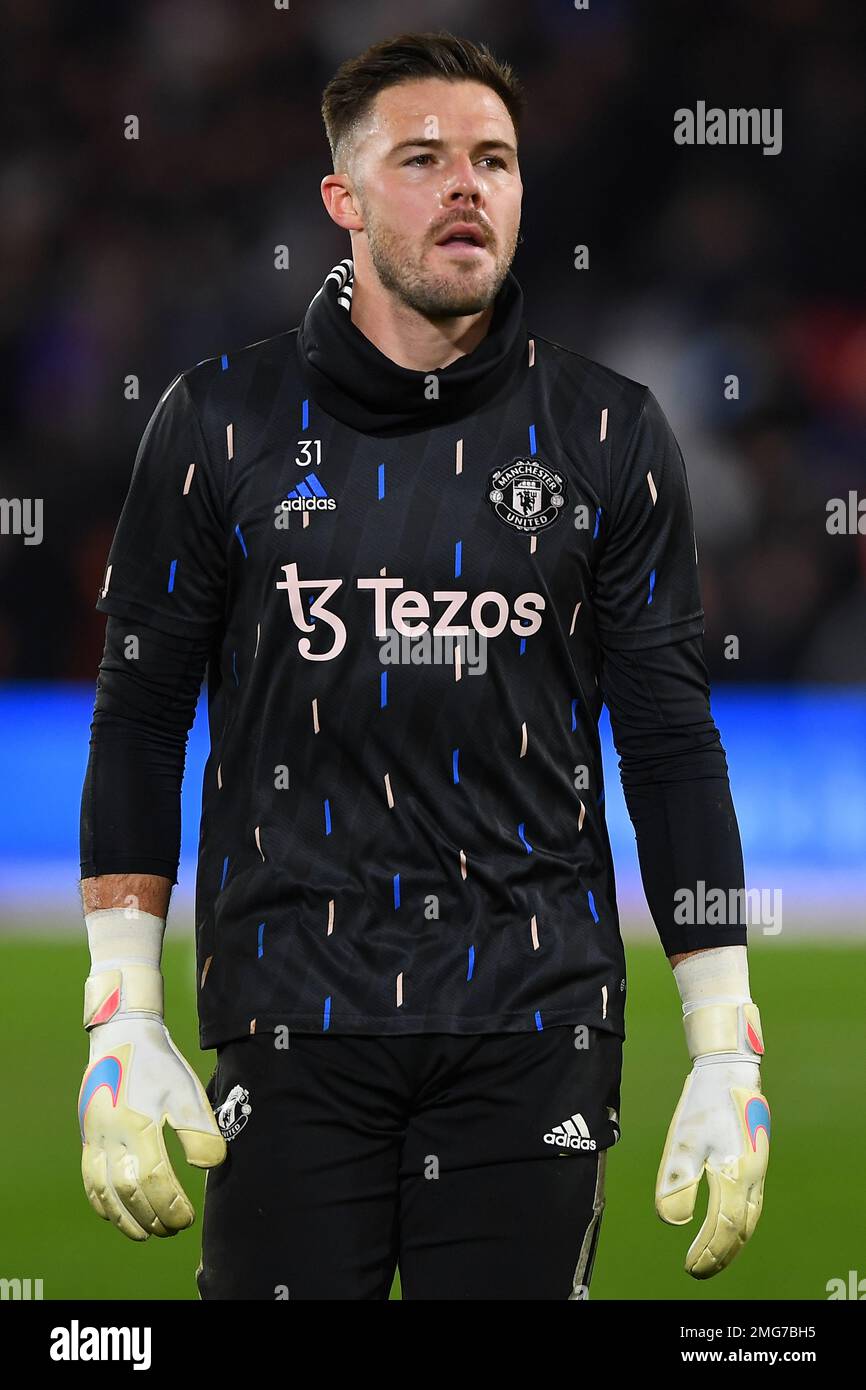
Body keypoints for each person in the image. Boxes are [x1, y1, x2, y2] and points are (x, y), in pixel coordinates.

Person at [77, 30, 770, 1301]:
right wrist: (120, 1008)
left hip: (536, 1022)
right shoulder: (215, 421)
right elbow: (136, 718)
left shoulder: (608, 431)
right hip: (287, 1023)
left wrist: (726, 1048)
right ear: (341, 199)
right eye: (426, 158)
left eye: (495, 159)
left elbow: (669, 745)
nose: (468, 184)